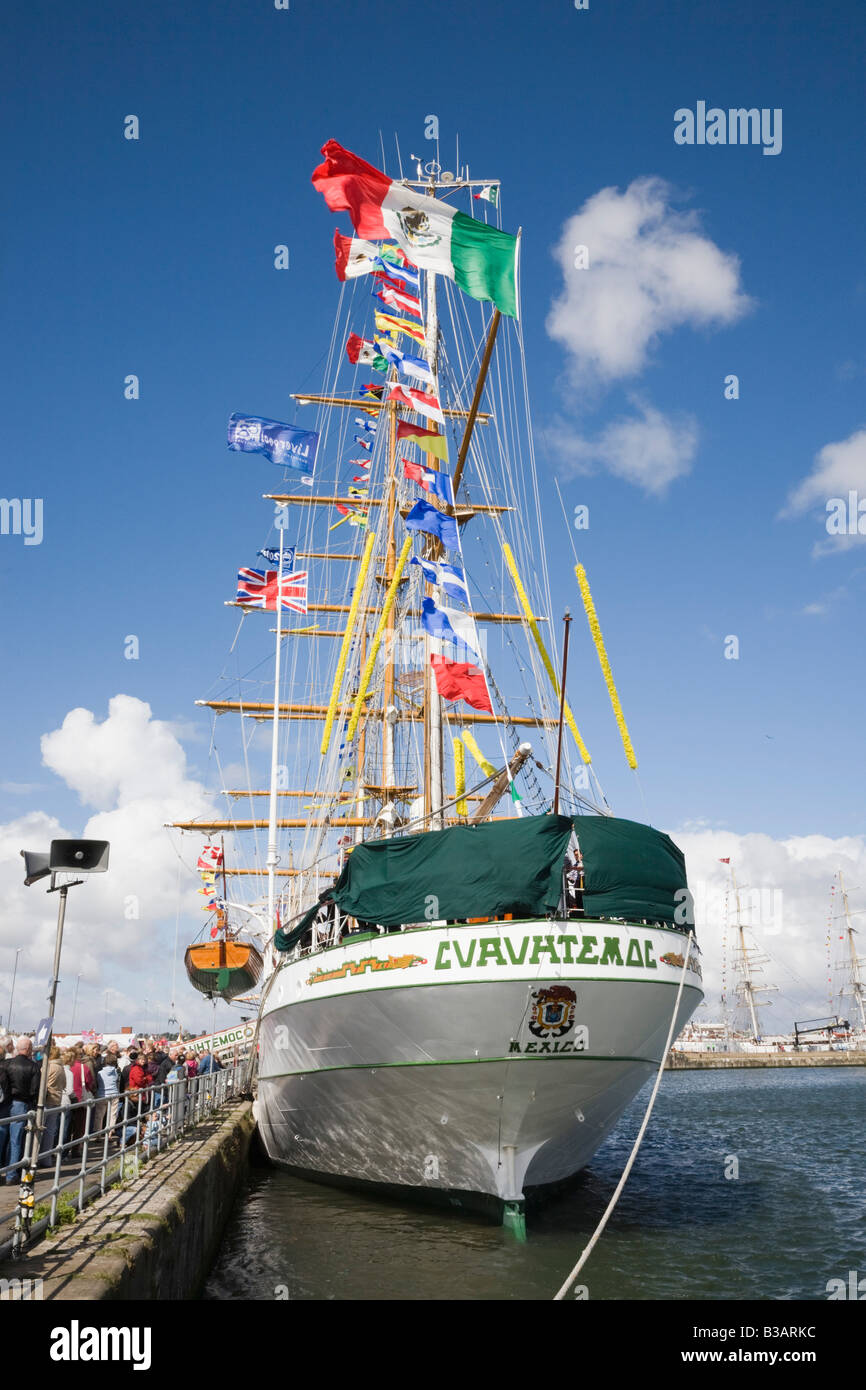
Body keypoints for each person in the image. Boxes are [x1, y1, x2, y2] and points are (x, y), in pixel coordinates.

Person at [2, 1037, 40, 1183]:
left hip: (6, 1103)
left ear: (18, 1048)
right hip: (21, 1104)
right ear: (29, 1049)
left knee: (2, 1138)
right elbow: (35, 1090)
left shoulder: (7, 1064)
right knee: (16, 1140)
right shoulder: (33, 1066)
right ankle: (11, 1175)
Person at [39, 1044, 67, 1168]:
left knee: (39, 1130)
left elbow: (42, 1082)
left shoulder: (48, 1066)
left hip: (46, 1100)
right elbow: (64, 1084)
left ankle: (35, 1158)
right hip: (56, 1100)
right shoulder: (61, 1067)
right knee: (50, 1132)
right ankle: (46, 1159)